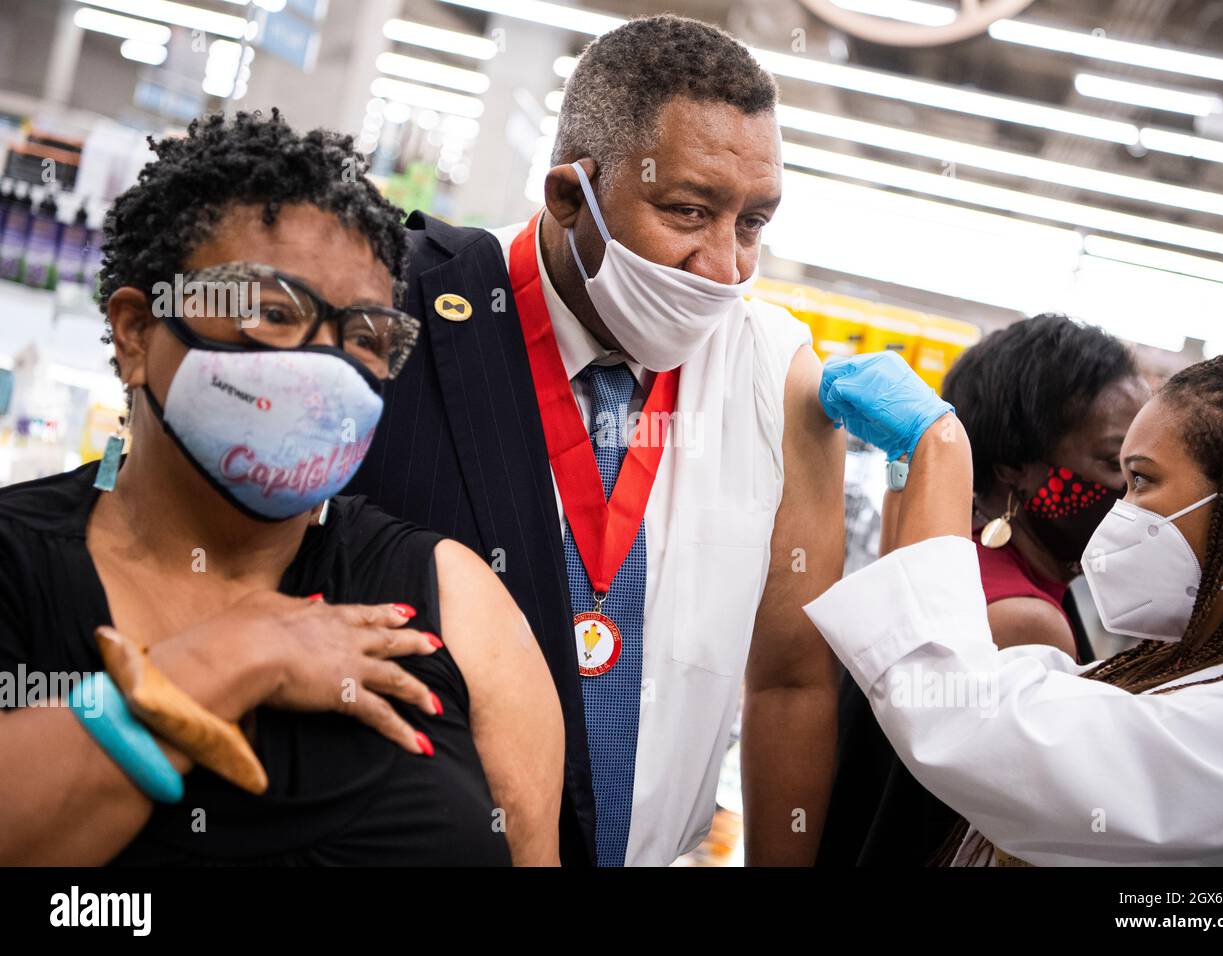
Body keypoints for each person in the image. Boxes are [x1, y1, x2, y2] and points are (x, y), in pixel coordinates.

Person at [0, 110, 563, 866]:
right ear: (137, 332)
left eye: (363, 335)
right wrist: (229, 659)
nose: (325, 367)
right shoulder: (17, 564)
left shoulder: (453, 598)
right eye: (270, 314)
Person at [347, 14, 845, 866]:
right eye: (688, 211)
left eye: (753, 224)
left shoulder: (776, 377)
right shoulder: (409, 317)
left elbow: (793, 680)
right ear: (569, 197)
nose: (723, 267)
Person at [808, 303, 1223, 865]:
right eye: (1123, 471)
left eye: (1140, 478)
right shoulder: (1214, 675)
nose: (1119, 499)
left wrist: (938, 451)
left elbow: (967, 719)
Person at [818, 315, 1147, 865]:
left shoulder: (951, 555)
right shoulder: (1025, 620)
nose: (1129, 492)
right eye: (1115, 463)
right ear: (1016, 467)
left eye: (1143, 470)